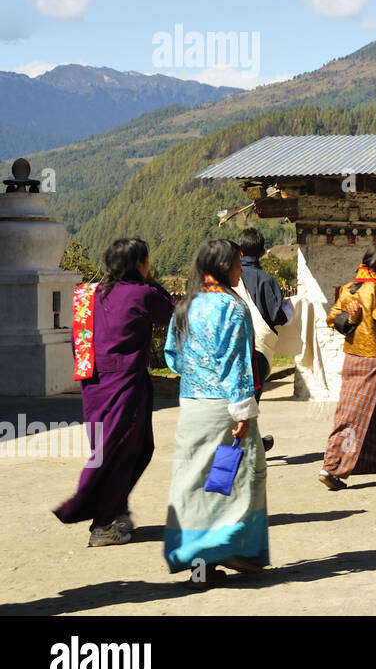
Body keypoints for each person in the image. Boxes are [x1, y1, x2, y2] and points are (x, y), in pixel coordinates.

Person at [55, 238, 174, 546]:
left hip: (93, 383)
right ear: (139, 265)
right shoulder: (143, 294)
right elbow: (171, 313)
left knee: (129, 447)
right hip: (125, 382)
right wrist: (153, 284)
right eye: (146, 261)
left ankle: (115, 509)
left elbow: (77, 342)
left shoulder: (86, 295)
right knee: (121, 450)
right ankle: (103, 523)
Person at [162, 240, 268, 579]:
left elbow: (172, 357)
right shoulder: (231, 307)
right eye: (237, 265)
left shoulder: (186, 305)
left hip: (192, 407)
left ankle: (199, 567)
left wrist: (198, 370)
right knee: (235, 480)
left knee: (195, 485)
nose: (241, 271)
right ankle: (238, 551)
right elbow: (235, 365)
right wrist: (243, 413)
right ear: (224, 268)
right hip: (223, 410)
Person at [319, 242, 376, 490]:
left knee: (351, 413)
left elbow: (333, 319)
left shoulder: (349, 290)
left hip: (353, 360)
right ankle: (336, 466)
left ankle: (338, 466)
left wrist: (349, 320)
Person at [234, 228, 292, 452]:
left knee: (237, 400)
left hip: (234, 348)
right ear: (262, 252)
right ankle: (245, 448)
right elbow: (278, 316)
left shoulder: (231, 278)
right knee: (250, 401)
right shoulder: (266, 280)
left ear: (240, 251)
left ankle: (251, 443)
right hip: (258, 348)